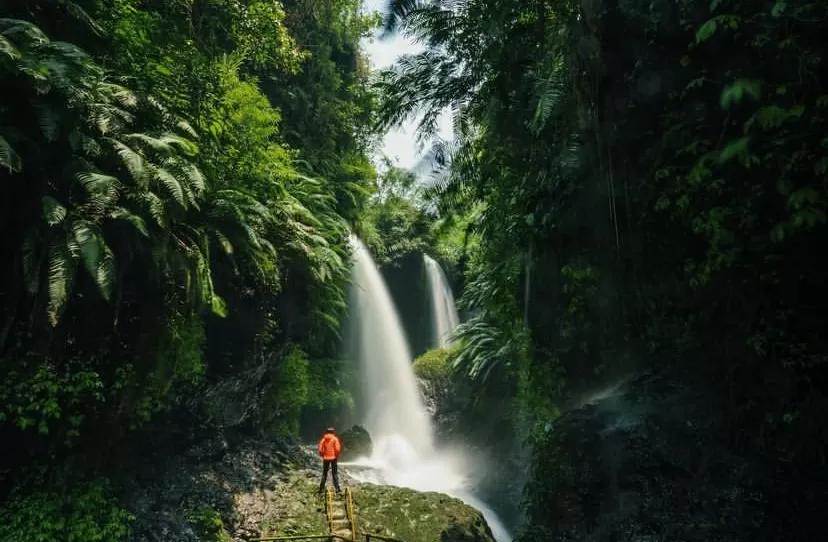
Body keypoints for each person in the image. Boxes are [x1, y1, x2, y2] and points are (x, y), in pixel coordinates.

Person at [317, 426, 342, 494]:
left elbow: (320, 449)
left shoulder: (323, 439)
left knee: (324, 473)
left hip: (326, 458)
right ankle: (337, 489)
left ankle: (321, 489)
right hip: (333, 458)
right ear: (333, 432)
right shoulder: (335, 439)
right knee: (335, 473)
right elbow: (337, 449)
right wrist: (336, 455)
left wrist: (323, 455)